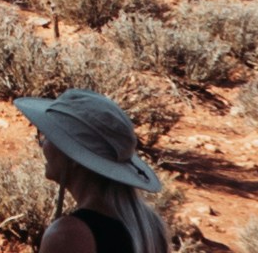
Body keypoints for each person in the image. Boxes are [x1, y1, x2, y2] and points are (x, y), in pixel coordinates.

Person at [13, 91, 172, 253]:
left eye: (47, 136)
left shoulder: (69, 235)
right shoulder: (150, 228)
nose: (42, 145)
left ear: (73, 156)